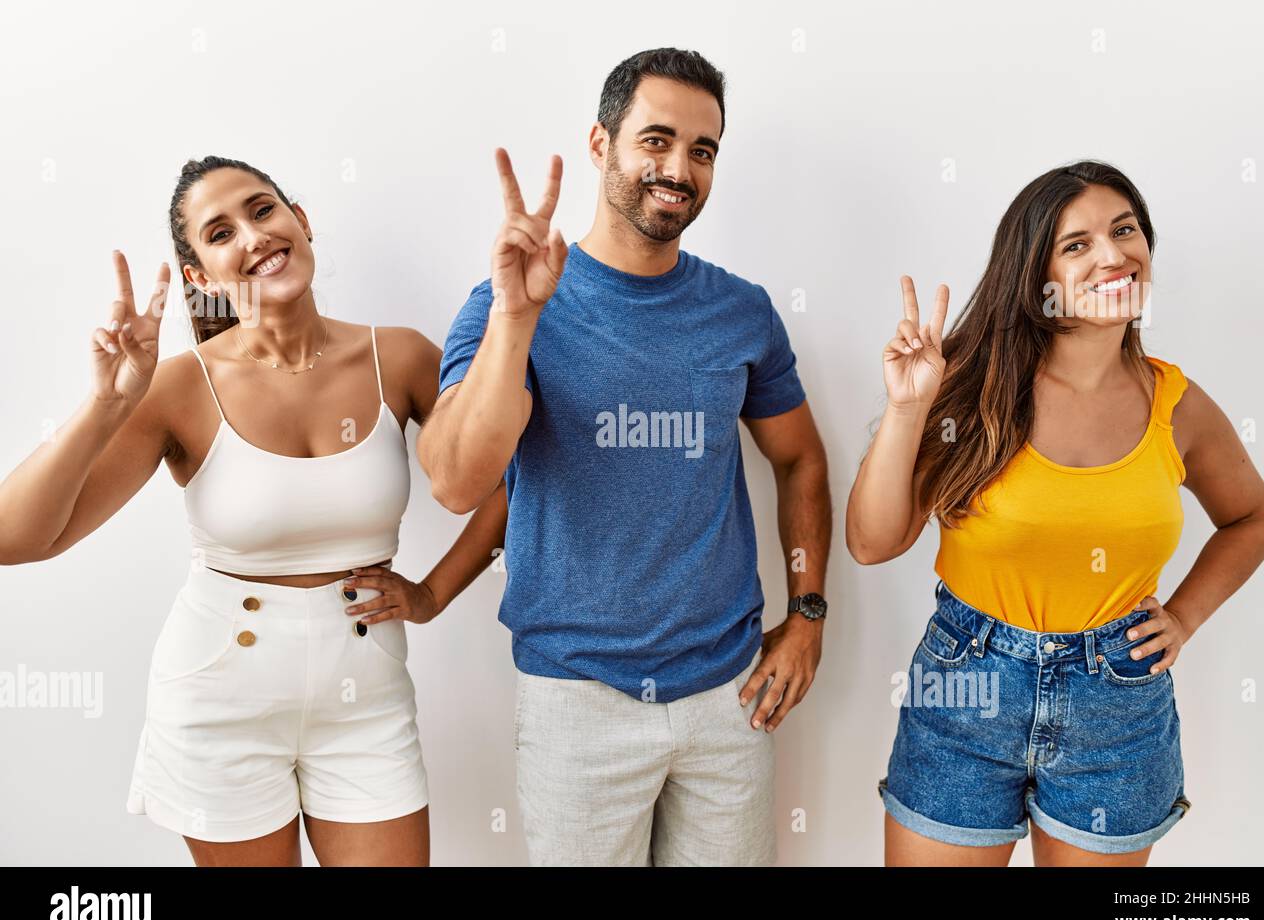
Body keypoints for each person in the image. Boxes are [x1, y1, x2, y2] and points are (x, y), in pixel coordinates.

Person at [0, 156, 508, 866]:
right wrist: (106, 406)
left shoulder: (399, 357)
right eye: (219, 231)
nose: (252, 235)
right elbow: (19, 538)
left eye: (262, 209)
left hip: (366, 701)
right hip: (219, 704)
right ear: (201, 277)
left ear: (301, 221)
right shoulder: (177, 387)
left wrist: (430, 595)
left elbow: (506, 480)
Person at [419, 49, 832, 866]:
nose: (678, 169)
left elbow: (802, 464)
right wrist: (516, 318)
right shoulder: (505, 305)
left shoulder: (742, 312)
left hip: (730, 693)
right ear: (601, 144)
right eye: (656, 140)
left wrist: (809, 615)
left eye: (703, 150)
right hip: (577, 699)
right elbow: (454, 479)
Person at [846, 160, 1264, 866]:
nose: (1113, 254)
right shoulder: (964, 385)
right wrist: (907, 409)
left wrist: (1186, 616)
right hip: (968, 685)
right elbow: (871, 543)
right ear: (1035, 274)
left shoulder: (1180, 406)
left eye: (1124, 230)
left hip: (1118, 705)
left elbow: (1253, 518)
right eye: (1076, 244)